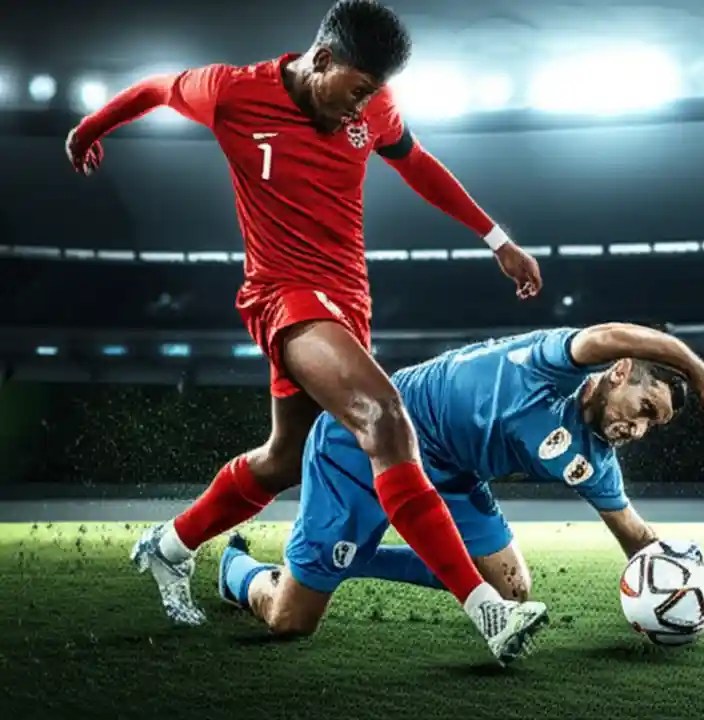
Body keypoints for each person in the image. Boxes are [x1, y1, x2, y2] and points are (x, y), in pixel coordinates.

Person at [63, 0, 549, 663]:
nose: (363, 111)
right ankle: (486, 610)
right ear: (321, 61)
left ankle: (169, 546)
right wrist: (91, 128)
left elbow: (417, 163)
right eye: (356, 93)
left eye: (374, 96)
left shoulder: (371, 105)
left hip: (346, 305)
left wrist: (497, 239)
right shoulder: (233, 92)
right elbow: (155, 85)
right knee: (384, 418)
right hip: (282, 296)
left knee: (285, 456)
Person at [214, 323, 704, 650]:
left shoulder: (594, 458)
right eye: (645, 409)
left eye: (653, 426)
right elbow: (612, 334)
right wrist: (696, 366)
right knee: (289, 622)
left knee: (512, 591)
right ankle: (239, 573)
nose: (638, 430)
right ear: (620, 372)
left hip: (453, 477)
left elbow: (636, 540)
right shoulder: (555, 365)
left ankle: (351, 561)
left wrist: (691, 588)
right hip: (370, 438)